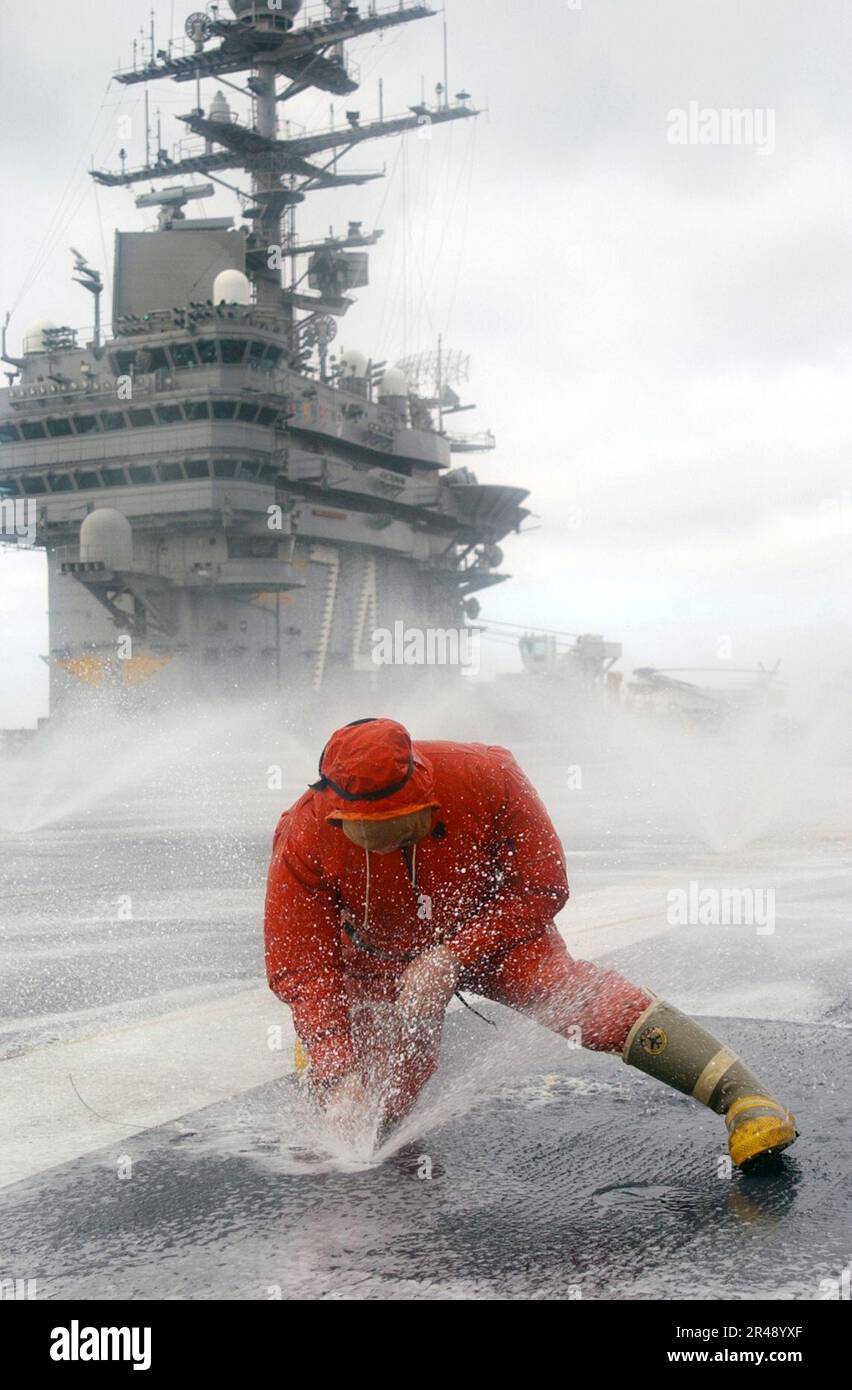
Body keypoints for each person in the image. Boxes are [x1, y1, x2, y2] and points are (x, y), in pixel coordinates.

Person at [264, 717, 797, 1167]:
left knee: (577, 1000)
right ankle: (331, 1067)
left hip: (494, 929)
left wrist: (453, 955)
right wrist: (340, 1074)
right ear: (337, 816)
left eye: (407, 832)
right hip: (376, 962)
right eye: (373, 842)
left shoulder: (489, 775)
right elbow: (304, 968)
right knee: (378, 1100)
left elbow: (542, 886)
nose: (394, 849)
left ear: (428, 792)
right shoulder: (302, 835)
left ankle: (746, 1099)